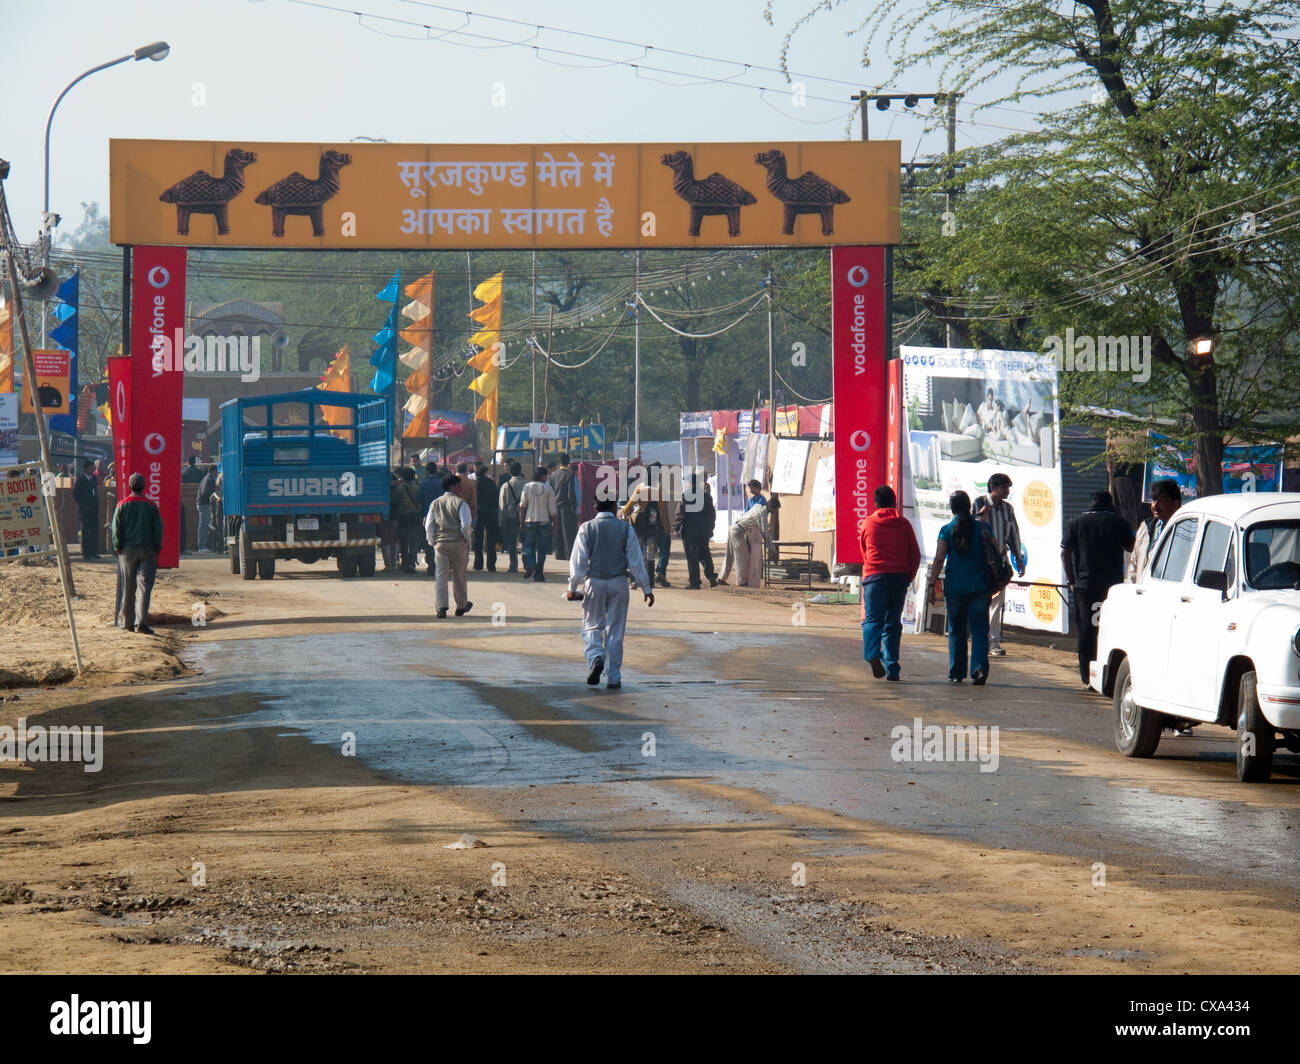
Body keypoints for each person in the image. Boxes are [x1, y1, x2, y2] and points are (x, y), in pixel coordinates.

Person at [566, 494, 655, 690]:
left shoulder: (586, 528)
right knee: (615, 631)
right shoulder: (626, 529)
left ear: (595, 505)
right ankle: (613, 677)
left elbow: (578, 563)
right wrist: (646, 588)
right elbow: (636, 562)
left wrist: (572, 587)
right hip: (618, 582)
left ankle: (596, 657)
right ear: (615, 506)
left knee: (592, 626)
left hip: (594, 583)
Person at [1062, 490, 1135, 689]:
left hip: (1085, 586)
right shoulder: (1119, 523)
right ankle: (1106, 674)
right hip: (1112, 588)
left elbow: (1065, 553)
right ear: (1110, 504)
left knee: (1086, 630)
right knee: (1109, 630)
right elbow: (1133, 548)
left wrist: (1071, 579)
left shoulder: (1076, 523)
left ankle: (1086, 677)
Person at [927, 490, 994, 685]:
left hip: (955, 588)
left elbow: (939, 558)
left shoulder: (946, 530)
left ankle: (957, 672)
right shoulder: (983, 528)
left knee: (956, 630)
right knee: (980, 629)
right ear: (968, 506)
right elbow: (996, 550)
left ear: (952, 508)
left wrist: (932, 584)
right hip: (980, 587)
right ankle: (979, 668)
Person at [859, 485, 922, 682]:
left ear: (875, 503)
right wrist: (908, 577)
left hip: (875, 578)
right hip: (898, 578)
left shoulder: (868, 524)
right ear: (894, 502)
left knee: (872, 620)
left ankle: (872, 654)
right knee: (892, 623)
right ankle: (892, 667)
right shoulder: (904, 524)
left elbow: (864, 550)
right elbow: (915, 554)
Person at [973, 472, 1024, 656]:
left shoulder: (1008, 509)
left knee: (997, 602)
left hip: (1000, 564)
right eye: (1004, 488)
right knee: (982, 601)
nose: (1007, 492)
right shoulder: (979, 503)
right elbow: (972, 528)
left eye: (1008, 488)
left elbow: (1014, 534)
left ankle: (994, 642)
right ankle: (982, 640)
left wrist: (1018, 558)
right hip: (981, 563)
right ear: (993, 488)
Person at [112, 471, 164, 635]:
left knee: (128, 588)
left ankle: (127, 622)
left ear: (130, 486)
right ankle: (141, 623)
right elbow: (158, 530)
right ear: (144, 487)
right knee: (144, 588)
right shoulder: (151, 506)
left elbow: (116, 530)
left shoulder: (122, 505)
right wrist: (157, 547)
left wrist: (118, 547)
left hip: (127, 551)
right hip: (148, 550)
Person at [425, 474, 473, 618]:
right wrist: (467, 541)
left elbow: (429, 525)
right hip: (458, 543)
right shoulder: (461, 503)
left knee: (441, 576)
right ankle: (461, 606)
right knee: (459, 575)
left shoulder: (435, 503)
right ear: (452, 487)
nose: (460, 488)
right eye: (458, 486)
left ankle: (441, 608)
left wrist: (431, 541)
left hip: (440, 544)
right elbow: (465, 526)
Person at [619, 465, 675, 588]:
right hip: (652, 528)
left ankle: (634, 580)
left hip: (638, 527)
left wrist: (623, 515)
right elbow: (663, 512)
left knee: (637, 553)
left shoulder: (639, 488)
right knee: (649, 554)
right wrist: (666, 528)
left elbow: (628, 506)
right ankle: (650, 581)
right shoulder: (659, 491)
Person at [1127, 478, 1183, 582]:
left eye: (1161, 500)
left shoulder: (1184, 529)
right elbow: (1134, 565)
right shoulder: (1145, 528)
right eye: (1154, 500)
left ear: (1175, 504)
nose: (1155, 505)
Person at [675, 474, 718, 589]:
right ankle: (711, 576)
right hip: (704, 531)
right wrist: (711, 529)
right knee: (705, 553)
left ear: (689, 483)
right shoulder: (707, 497)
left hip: (690, 532)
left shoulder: (685, 496)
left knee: (692, 556)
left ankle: (694, 582)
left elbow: (680, 514)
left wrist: (676, 528)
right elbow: (712, 515)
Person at [717, 501, 773, 587]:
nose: (775, 512)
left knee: (729, 555)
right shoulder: (762, 515)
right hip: (737, 532)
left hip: (733, 528)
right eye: (775, 509)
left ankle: (721, 578)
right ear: (772, 508)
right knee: (743, 557)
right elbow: (765, 533)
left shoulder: (758, 506)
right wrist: (772, 549)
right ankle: (741, 581)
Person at [520, 466, 557, 581]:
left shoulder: (527, 487)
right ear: (542, 476)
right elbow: (552, 510)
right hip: (544, 522)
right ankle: (539, 573)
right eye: (546, 475)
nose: (547, 477)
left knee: (529, 545)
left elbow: (522, 507)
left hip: (530, 521)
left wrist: (521, 523)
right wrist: (555, 524)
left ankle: (531, 564)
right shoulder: (548, 488)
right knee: (542, 549)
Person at [390, 467, 423, 573]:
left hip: (403, 517)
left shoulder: (400, 488)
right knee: (414, 542)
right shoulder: (418, 487)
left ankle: (404, 564)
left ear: (403, 477)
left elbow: (394, 501)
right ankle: (412, 564)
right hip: (415, 517)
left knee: (404, 542)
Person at [497, 460, 525, 573]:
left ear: (510, 471)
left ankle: (513, 566)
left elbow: (502, 504)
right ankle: (528, 563)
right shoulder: (527, 484)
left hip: (510, 517)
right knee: (526, 541)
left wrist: (501, 519)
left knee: (512, 543)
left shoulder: (505, 486)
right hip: (525, 517)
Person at [417, 462, 444, 574]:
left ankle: (431, 566)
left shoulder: (423, 484)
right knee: (441, 540)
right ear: (436, 470)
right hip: (442, 516)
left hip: (428, 516)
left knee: (429, 540)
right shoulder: (442, 483)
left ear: (427, 471)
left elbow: (418, 499)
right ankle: (440, 565)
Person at [551, 453, 579, 561]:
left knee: (558, 531)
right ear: (568, 463)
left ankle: (558, 553)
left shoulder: (553, 475)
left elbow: (552, 490)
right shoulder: (569, 475)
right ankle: (569, 554)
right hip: (566, 506)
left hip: (556, 505)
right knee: (568, 531)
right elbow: (570, 492)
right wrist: (573, 506)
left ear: (559, 462)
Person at [72, 459, 100, 559]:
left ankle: (93, 552)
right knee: (86, 532)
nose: (93, 470)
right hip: (85, 511)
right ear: (86, 469)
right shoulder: (80, 480)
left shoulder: (93, 479)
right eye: (91, 468)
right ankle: (86, 553)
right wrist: (83, 505)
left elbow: (95, 492)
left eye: (93, 468)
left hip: (94, 509)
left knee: (94, 531)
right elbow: (76, 495)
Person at [473, 465, 499, 572]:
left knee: (478, 539)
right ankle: (491, 565)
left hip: (478, 513)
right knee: (490, 539)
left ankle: (478, 564)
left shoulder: (475, 484)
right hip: (491, 513)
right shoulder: (491, 483)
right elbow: (496, 498)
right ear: (485, 473)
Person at [196, 465, 218, 553]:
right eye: (216, 472)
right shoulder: (208, 479)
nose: (217, 474)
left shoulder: (207, 478)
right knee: (203, 525)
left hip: (203, 504)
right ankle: (201, 547)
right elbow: (205, 492)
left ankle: (203, 545)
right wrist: (213, 495)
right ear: (213, 471)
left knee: (205, 524)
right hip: (203, 504)